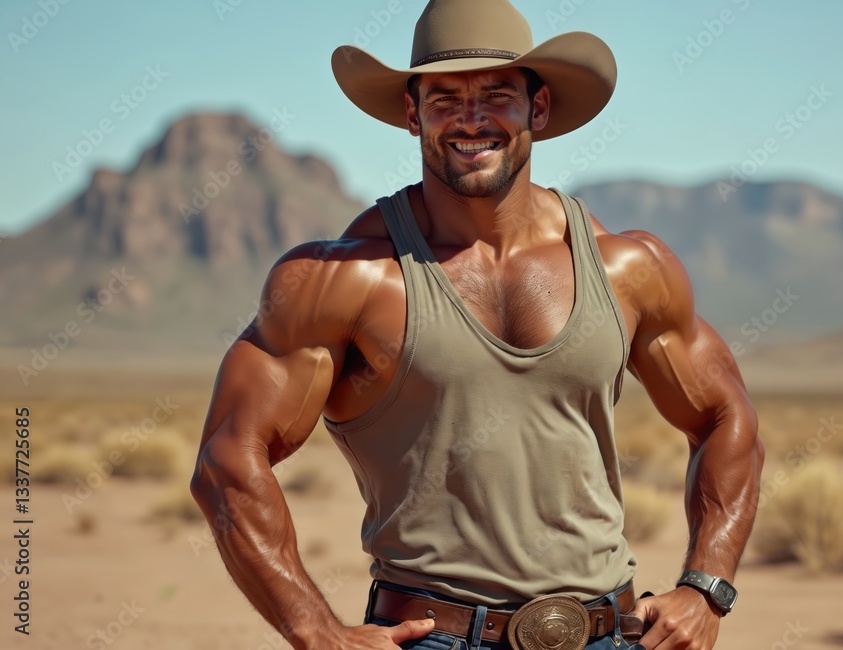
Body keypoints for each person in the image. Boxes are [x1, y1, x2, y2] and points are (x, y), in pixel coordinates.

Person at [190, 1, 764, 649]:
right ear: (413, 114)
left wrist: (706, 586)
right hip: (434, 636)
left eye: (496, 94)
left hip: (609, 631)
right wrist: (314, 629)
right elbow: (226, 460)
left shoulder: (628, 267)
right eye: (443, 98)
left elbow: (725, 414)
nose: (470, 119)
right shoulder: (341, 279)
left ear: (537, 109)